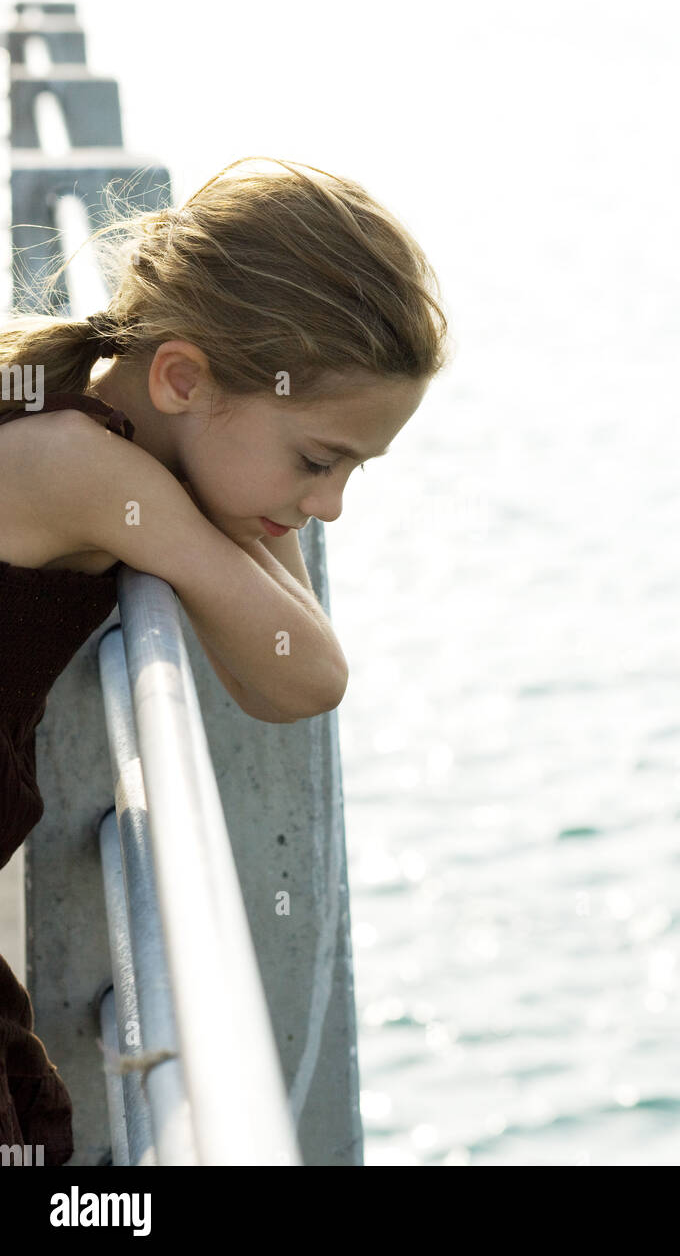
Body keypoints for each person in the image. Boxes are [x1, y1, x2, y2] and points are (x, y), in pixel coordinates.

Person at [0, 155, 452, 1163]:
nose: (328, 505)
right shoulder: (85, 469)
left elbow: (282, 667)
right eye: (317, 458)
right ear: (182, 377)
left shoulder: (96, 417)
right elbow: (303, 674)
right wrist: (243, 516)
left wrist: (252, 482)